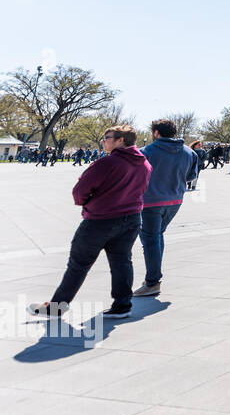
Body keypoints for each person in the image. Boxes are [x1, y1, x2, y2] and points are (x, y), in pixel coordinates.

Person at [28, 125, 151, 320]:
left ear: (121, 140)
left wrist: (87, 202)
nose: (103, 141)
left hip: (101, 220)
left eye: (107, 137)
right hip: (131, 218)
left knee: (78, 264)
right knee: (122, 261)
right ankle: (122, 305)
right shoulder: (144, 163)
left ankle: (57, 306)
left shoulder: (108, 162)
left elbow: (80, 191)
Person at [135, 119, 197, 299]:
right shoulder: (189, 152)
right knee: (157, 236)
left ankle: (153, 281)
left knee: (150, 240)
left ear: (156, 133)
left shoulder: (145, 152)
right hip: (175, 200)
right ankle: (153, 279)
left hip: (150, 202)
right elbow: (191, 176)